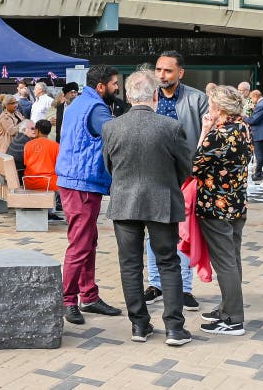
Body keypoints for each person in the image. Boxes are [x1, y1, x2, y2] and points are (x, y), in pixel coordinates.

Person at [103, 70, 193, 346]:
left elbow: (110, 167)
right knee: (168, 262)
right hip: (161, 200)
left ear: (128, 96)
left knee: (130, 265)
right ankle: (175, 328)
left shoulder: (111, 127)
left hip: (124, 200)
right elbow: (185, 167)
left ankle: (139, 326)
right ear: (155, 96)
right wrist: (167, 184)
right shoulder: (170, 127)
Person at [55, 64, 123, 325]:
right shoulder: (96, 108)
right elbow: (116, 135)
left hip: (76, 180)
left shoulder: (79, 103)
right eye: (115, 84)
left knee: (87, 241)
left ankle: (89, 295)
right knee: (81, 243)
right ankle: (68, 299)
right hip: (82, 182)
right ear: (101, 86)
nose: (118, 88)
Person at [145, 51, 208, 311]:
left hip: (186, 176)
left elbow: (207, 135)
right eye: (158, 70)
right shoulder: (148, 97)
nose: (161, 75)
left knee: (184, 231)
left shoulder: (197, 99)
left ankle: (184, 288)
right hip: (153, 174)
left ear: (180, 73)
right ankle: (156, 283)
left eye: (167, 71)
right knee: (153, 229)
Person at [193, 86, 252, 336]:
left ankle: (233, 318)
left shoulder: (218, 134)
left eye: (212, 105)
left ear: (220, 108)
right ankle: (227, 308)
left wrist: (205, 130)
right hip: (237, 204)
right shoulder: (243, 129)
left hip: (215, 208)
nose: (209, 109)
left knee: (225, 263)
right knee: (233, 259)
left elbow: (194, 165)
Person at [244, 90, 263, 183]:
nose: (251, 101)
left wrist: (244, 117)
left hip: (259, 133)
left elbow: (253, 120)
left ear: (255, 96)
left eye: (251, 98)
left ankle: (258, 174)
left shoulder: (261, 105)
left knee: (259, 154)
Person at [23, 120, 60, 192]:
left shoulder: (28, 145)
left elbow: (25, 163)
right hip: (49, 183)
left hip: (29, 183)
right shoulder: (56, 146)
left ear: (37, 130)